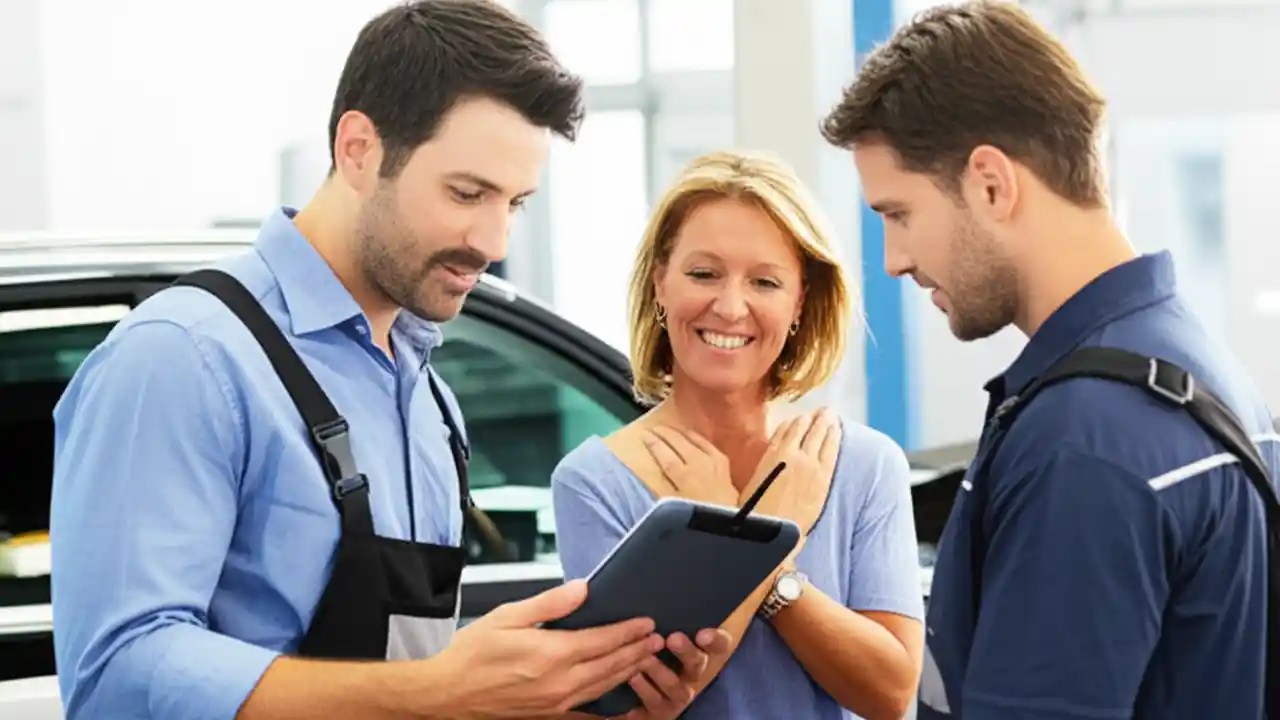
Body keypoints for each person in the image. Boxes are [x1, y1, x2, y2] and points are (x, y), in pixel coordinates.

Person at [48, 2, 730, 719]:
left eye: (516, 203)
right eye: (467, 193)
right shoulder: (182, 358)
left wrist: (561, 699)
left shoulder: (431, 403)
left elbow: (406, 686)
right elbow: (118, 675)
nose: (492, 238)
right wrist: (440, 691)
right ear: (358, 149)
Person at [820, 2, 1280, 719]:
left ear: (991, 183)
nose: (894, 260)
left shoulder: (1083, 442)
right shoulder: (1205, 373)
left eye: (898, 213)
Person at [550, 149, 926, 720]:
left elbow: (891, 695)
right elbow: (630, 709)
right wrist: (761, 531)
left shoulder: (864, 465)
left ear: (799, 300)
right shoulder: (594, 481)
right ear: (660, 284)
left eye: (765, 282)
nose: (730, 306)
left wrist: (767, 562)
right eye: (703, 274)